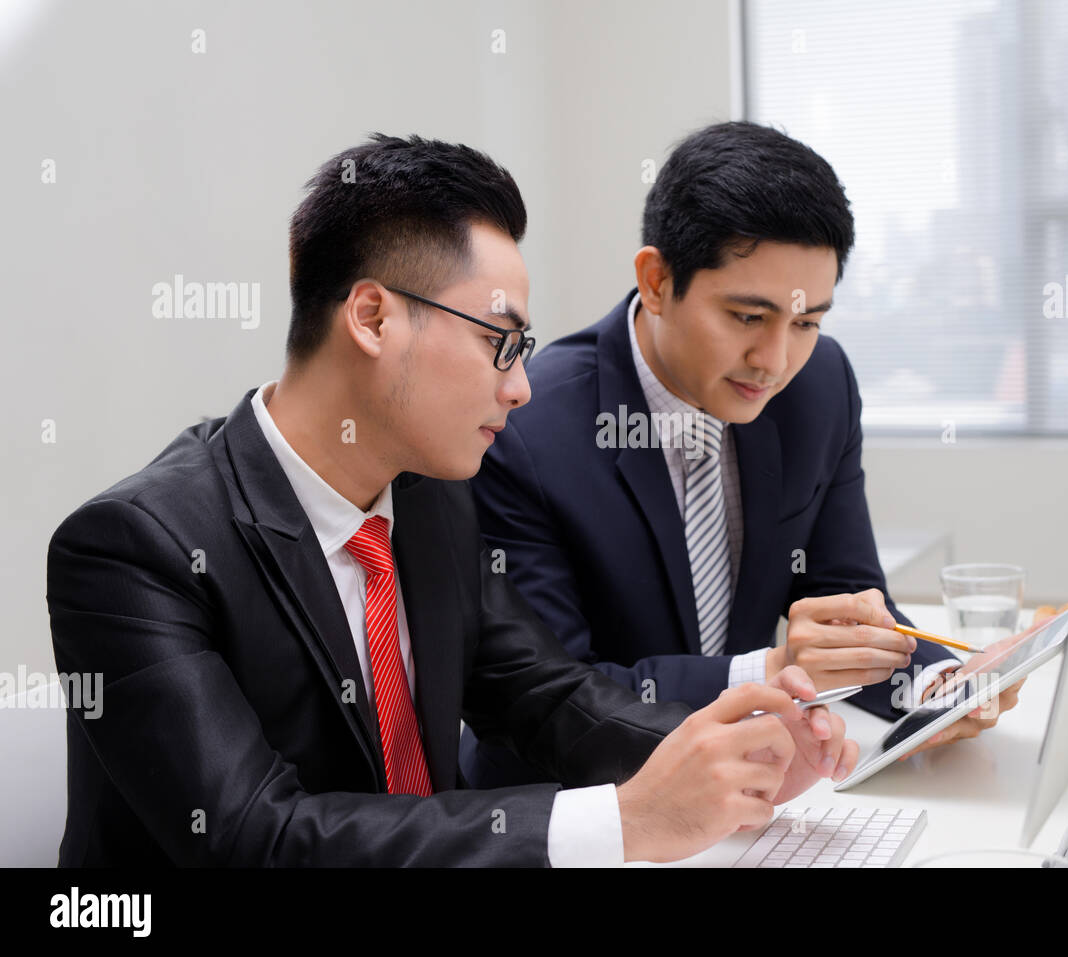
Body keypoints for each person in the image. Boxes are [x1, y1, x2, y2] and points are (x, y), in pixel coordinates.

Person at [46, 132, 855, 867]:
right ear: (372, 317)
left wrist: (738, 748)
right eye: (497, 342)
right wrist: (623, 820)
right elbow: (256, 838)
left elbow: (547, 697)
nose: (522, 387)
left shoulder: (427, 499)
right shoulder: (134, 547)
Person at [464, 121, 1025, 788]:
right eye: (747, 318)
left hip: (745, 800)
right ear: (655, 281)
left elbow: (843, 597)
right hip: (577, 805)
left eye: (808, 321)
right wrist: (770, 669)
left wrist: (937, 684)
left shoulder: (819, 386)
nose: (776, 361)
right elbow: (552, 697)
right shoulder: (529, 426)